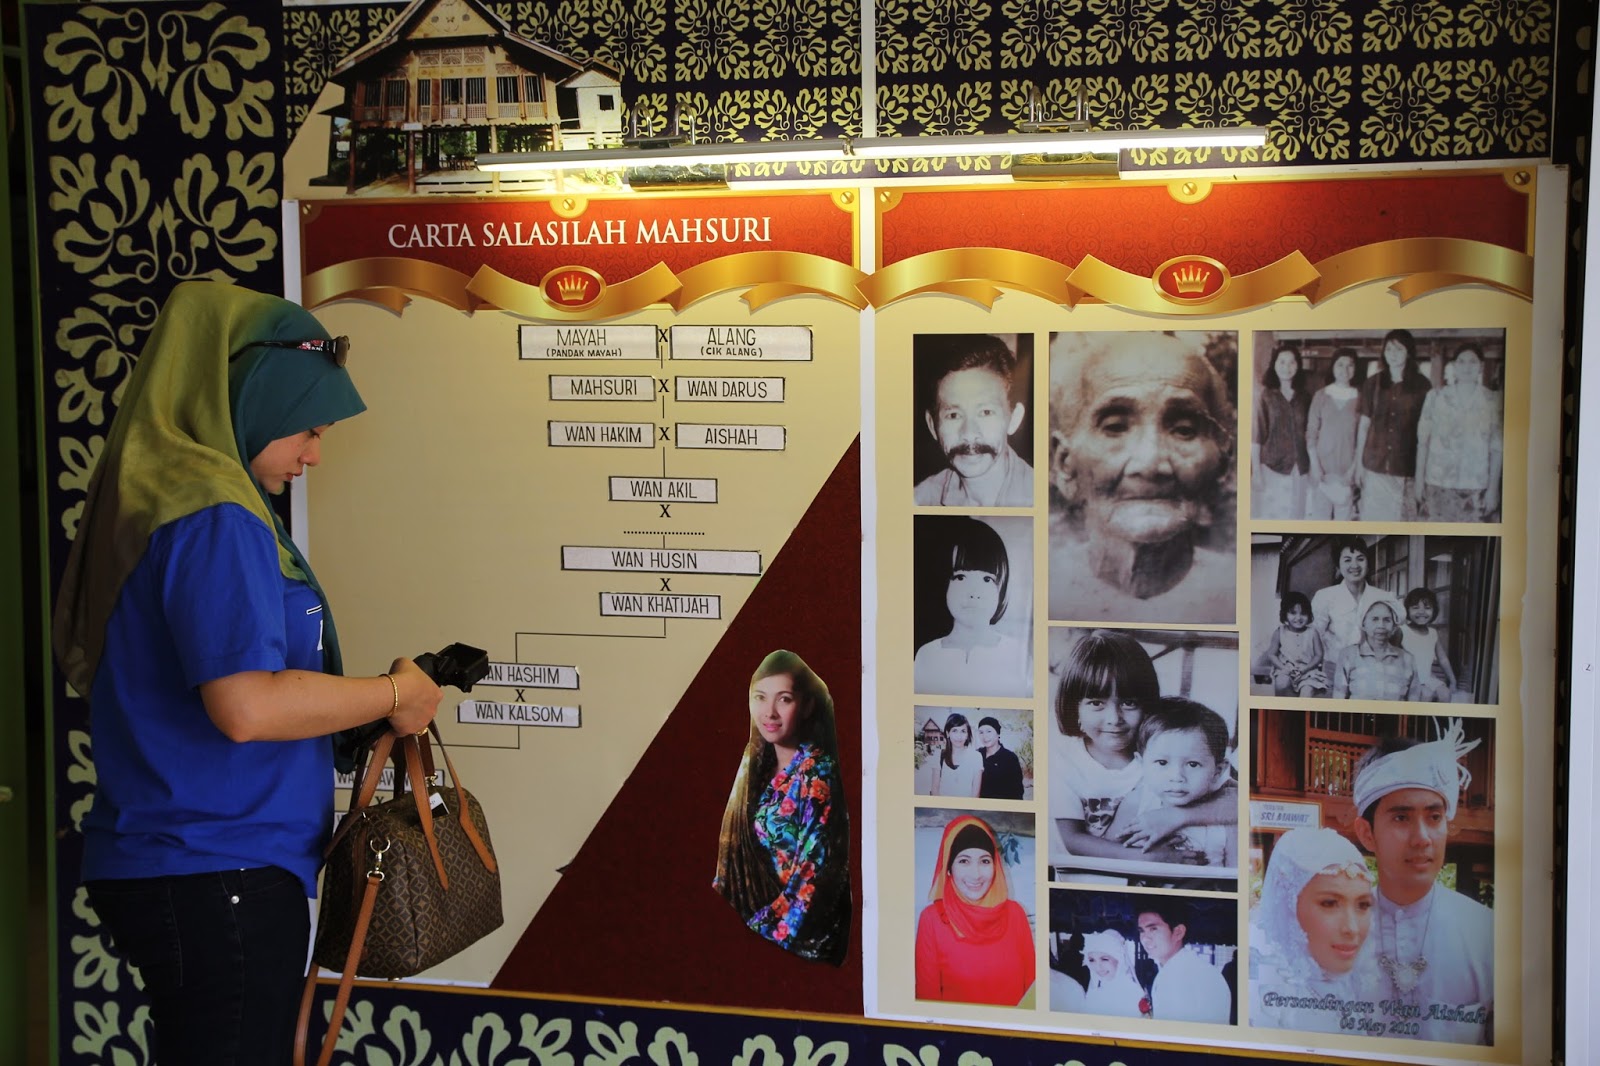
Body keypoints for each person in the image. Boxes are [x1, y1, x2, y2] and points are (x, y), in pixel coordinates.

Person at [51, 282, 445, 1066]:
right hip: (216, 867)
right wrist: (397, 694)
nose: (314, 454)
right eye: (306, 429)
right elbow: (244, 706)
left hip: (192, 863)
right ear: (254, 400)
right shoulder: (215, 513)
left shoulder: (170, 496)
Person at [1047, 331, 1236, 624]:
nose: (1150, 463)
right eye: (1115, 427)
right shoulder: (1038, 587)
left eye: (1184, 429)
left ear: (1222, 462)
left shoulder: (1236, 594)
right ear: (1064, 462)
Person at [1351, 723, 1492, 1043]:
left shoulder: (1485, 932)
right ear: (1366, 833)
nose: (1422, 839)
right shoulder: (1336, 932)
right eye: (1401, 817)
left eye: (1434, 817)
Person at [714, 650, 851, 965]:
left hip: (797, 939)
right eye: (760, 697)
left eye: (784, 699)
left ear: (807, 706)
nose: (769, 712)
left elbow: (816, 874)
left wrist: (759, 930)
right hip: (752, 924)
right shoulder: (754, 765)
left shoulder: (817, 772)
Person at [1249, 827, 1379, 1035]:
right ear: (1289, 907)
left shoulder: (1364, 983)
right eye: (1329, 903)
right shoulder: (1261, 990)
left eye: (1362, 905)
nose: (1352, 928)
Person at [914, 815, 1035, 1005]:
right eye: (964, 861)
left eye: (985, 861)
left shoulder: (1015, 913)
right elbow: (927, 1001)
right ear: (948, 869)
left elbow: (1031, 991)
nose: (976, 874)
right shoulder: (932, 920)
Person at [1106, 697, 1237, 867]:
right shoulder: (1136, 803)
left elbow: (1234, 877)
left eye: (1193, 764)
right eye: (1162, 763)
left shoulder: (1226, 816)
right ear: (1141, 763)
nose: (1177, 777)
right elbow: (1109, 859)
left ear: (1218, 771)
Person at [914, 517, 1031, 698]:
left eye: (987, 579)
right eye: (960, 577)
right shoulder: (926, 655)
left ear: (1001, 587)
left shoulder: (1015, 653)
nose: (974, 593)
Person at [914, 334, 1033, 506]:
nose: (969, 433)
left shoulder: (1046, 501)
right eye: (954, 415)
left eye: (985, 412)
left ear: (1014, 419)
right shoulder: (920, 500)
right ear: (932, 426)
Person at [1413, 343, 1503, 522]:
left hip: (1476, 486)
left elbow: (1497, 448)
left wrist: (1493, 489)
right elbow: (1423, 441)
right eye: (1461, 362)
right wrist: (1418, 480)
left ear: (1481, 366)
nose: (1466, 367)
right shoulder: (1436, 397)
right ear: (1453, 366)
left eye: (1472, 362)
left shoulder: (1493, 400)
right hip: (1437, 483)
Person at [1355, 328, 1431, 521]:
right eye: (1389, 349)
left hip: (1406, 469)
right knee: (1373, 521)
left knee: (1402, 523)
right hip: (1374, 466)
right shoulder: (1373, 383)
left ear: (1409, 352)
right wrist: (1358, 465)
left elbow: (1426, 433)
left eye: (1399, 349)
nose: (1393, 354)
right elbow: (1363, 426)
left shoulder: (1423, 386)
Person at [1136, 901, 1232, 1023]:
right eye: (1141, 931)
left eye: (1153, 929)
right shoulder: (1170, 971)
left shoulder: (1197, 974)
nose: (1144, 938)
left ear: (1178, 932)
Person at [1309, 536, 1402, 659]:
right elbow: (1313, 637)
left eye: (1360, 559)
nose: (1355, 565)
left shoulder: (1383, 597)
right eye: (1347, 560)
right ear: (1338, 566)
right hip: (1335, 669)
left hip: (1374, 670)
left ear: (1368, 564)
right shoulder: (1325, 596)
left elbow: (1399, 631)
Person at [1252, 343, 1311, 519]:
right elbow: (1256, 436)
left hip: (1300, 469)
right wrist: (1256, 472)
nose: (1287, 367)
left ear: (1298, 366)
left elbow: (1311, 433)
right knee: (1272, 517)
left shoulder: (1305, 397)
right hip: (1272, 469)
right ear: (1274, 364)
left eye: (1292, 362)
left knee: (1296, 516)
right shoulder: (1265, 396)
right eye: (1282, 362)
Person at [1304, 347, 1362, 520]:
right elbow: (1311, 433)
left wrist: (1352, 471)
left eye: (1350, 365)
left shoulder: (1361, 398)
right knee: (1319, 525)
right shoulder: (1321, 396)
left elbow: (1362, 439)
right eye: (1340, 364)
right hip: (1321, 473)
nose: (1345, 369)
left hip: (1346, 475)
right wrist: (1315, 466)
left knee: (1342, 526)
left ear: (1356, 369)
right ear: (1333, 367)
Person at [1330, 601, 1421, 702]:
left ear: (1394, 627)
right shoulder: (1348, 655)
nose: (1381, 625)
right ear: (1363, 624)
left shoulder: (1408, 659)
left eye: (1387, 620)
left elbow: (1414, 701)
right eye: (1375, 619)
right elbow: (1338, 699)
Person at [1253, 591, 1328, 697]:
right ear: (1285, 614)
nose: (1298, 617)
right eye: (1293, 613)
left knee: (1307, 691)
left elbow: (1319, 655)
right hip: (1285, 669)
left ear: (1309, 614)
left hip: (1308, 671)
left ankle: (1301, 711)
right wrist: (1283, 668)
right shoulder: (1280, 632)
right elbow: (1271, 654)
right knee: (1281, 684)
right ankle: (1285, 708)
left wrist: (1306, 668)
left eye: (1303, 613)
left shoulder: (1313, 632)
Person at [1400, 588, 1458, 702]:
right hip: (1409, 680)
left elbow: (1443, 659)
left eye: (1427, 608)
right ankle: (1421, 720)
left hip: (1427, 677)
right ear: (1407, 610)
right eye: (1415, 608)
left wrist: (1452, 680)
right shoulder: (1402, 631)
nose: (1421, 612)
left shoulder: (1433, 633)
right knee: (1426, 695)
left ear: (1434, 611)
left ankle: (1440, 720)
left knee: (1445, 694)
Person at [1078, 928, 1147, 1018]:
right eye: (1092, 960)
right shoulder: (1094, 992)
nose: (1098, 967)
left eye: (1104, 959)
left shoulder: (1132, 993)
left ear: (1119, 959)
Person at [915, 711, 982, 797]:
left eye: (963, 731)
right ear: (947, 733)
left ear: (967, 734)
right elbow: (935, 790)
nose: (959, 736)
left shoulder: (976, 757)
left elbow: (975, 794)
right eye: (954, 731)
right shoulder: (939, 756)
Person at [976, 716, 1025, 799]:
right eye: (981, 732)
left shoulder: (1010, 758)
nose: (985, 736)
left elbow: (1017, 791)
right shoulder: (977, 755)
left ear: (998, 734)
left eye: (989, 731)